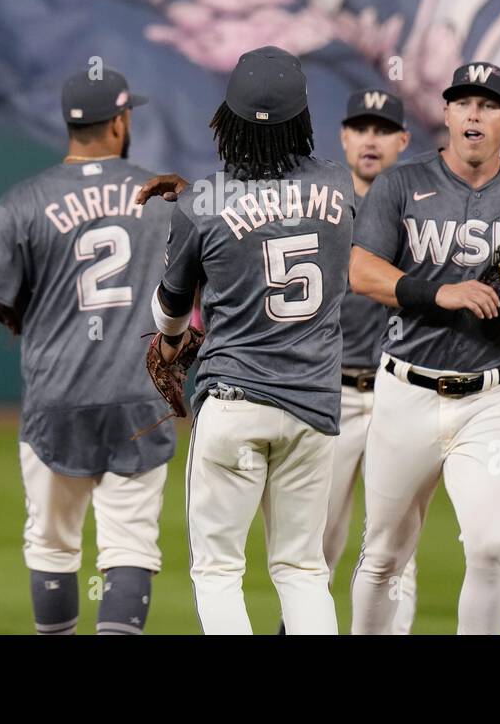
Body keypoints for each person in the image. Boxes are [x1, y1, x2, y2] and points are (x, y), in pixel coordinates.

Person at [348, 62, 500, 635]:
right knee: (382, 557)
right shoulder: (400, 186)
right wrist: (439, 292)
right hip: (405, 391)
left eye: (488, 104)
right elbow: (360, 270)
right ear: (446, 114)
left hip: (489, 399)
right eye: (463, 102)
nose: (474, 113)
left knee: (489, 545)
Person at [0, 68, 176, 635]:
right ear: (121, 121)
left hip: (57, 395)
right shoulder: (165, 195)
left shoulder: (25, 200)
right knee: (129, 545)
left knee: (53, 547)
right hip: (139, 393)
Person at [144, 45, 354, 634]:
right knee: (302, 570)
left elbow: (172, 308)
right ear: (303, 118)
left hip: (235, 403)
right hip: (314, 407)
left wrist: (166, 346)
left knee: (217, 572)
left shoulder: (200, 203)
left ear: (227, 118)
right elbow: (281, 214)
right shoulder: (340, 188)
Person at [325, 89, 417, 633]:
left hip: (397, 393)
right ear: (344, 136)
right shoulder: (324, 208)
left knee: (397, 551)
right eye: (361, 127)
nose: (370, 139)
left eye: (383, 129)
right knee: (315, 546)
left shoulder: (420, 213)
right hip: (330, 395)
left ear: (402, 141)